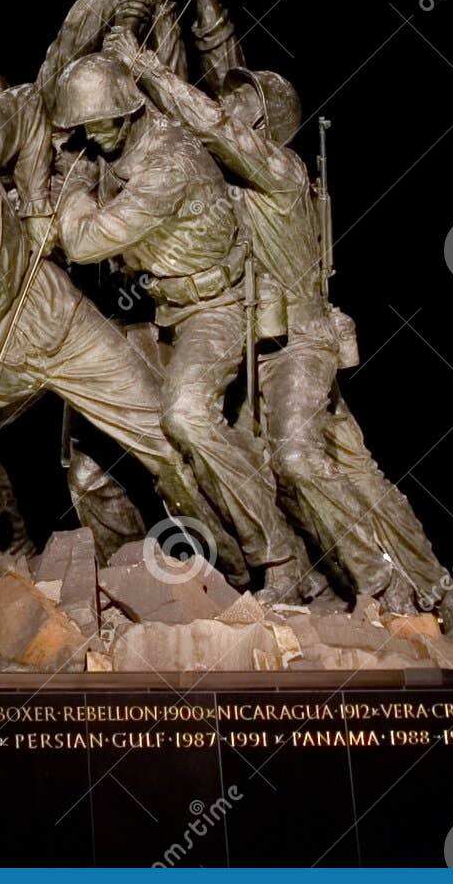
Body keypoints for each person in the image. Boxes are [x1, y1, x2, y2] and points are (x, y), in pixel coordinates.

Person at [105, 0, 453, 633]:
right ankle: (441, 599)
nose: (230, 105)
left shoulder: (278, 172)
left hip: (297, 344)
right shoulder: (237, 170)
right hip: (258, 343)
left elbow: (211, 117)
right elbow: (217, 76)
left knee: (301, 459)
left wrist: (149, 71)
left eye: (244, 107)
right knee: (351, 474)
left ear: (263, 125)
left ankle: (391, 589)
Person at [0, 129, 243, 573]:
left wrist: (34, 203)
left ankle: (233, 563)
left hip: (58, 320)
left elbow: (28, 109)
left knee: (165, 440)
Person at [49, 51, 316, 602]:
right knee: (101, 429)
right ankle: (175, 564)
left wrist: (68, 190)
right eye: (82, 128)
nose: (91, 137)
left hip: (214, 308)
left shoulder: (170, 162)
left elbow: (84, 241)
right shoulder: (122, 147)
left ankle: (283, 559)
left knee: (188, 414)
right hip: (161, 310)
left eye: (99, 124)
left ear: (129, 113)